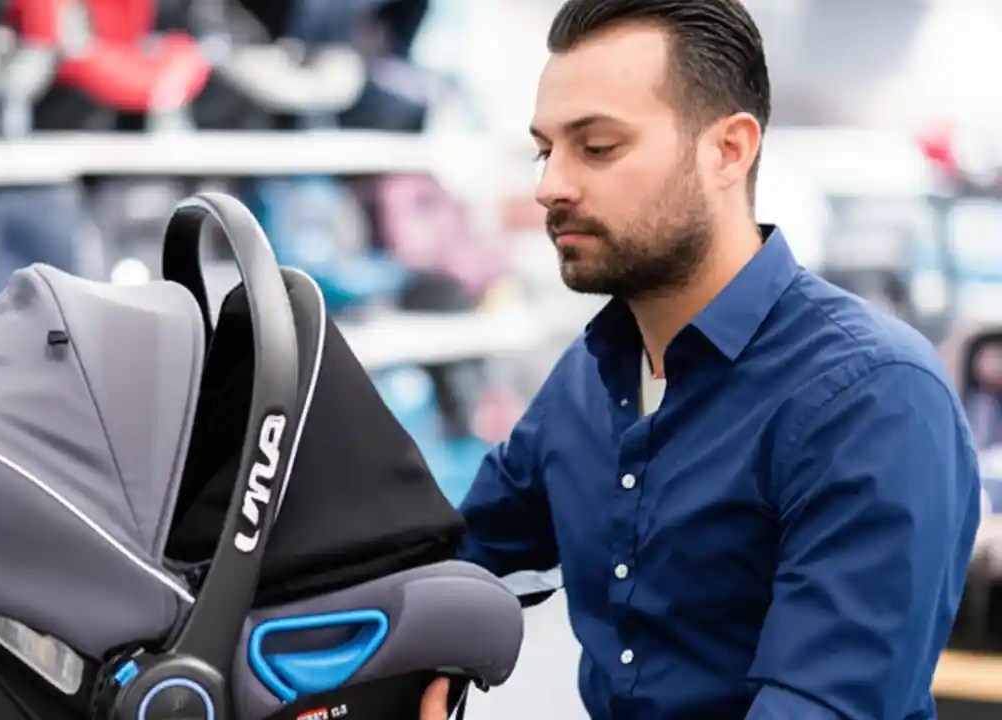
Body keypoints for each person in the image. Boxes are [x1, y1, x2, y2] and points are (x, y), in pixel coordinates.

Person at [420, 0, 981, 718]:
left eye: (596, 148)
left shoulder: (872, 400)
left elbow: (818, 707)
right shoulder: (591, 376)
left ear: (729, 150)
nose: (549, 186)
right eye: (544, 149)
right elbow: (455, 554)